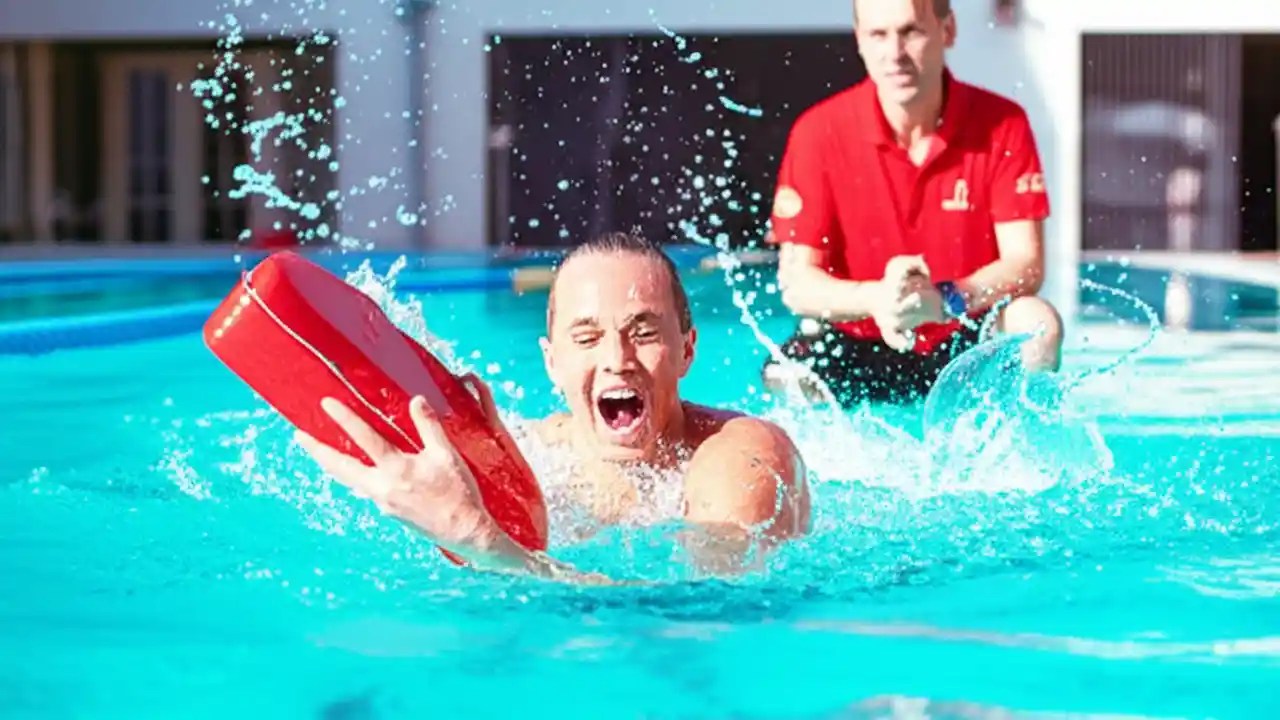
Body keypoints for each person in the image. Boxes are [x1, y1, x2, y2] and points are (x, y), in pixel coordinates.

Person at [295, 231, 811, 583]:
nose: (617, 360)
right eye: (586, 338)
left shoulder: (740, 456)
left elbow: (703, 609)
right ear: (551, 362)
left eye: (644, 333)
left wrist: (480, 543)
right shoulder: (535, 451)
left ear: (688, 351)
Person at [760, 0, 1064, 408]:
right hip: (858, 335)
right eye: (878, 35)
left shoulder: (1002, 125)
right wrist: (878, 300)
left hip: (961, 330)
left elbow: (1026, 264)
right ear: (860, 42)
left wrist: (947, 300)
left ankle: (1022, 459)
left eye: (911, 32)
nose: (895, 55)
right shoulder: (818, 132)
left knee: (1038, 325)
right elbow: (798, 285)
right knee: (785, 375)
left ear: (948, 30)